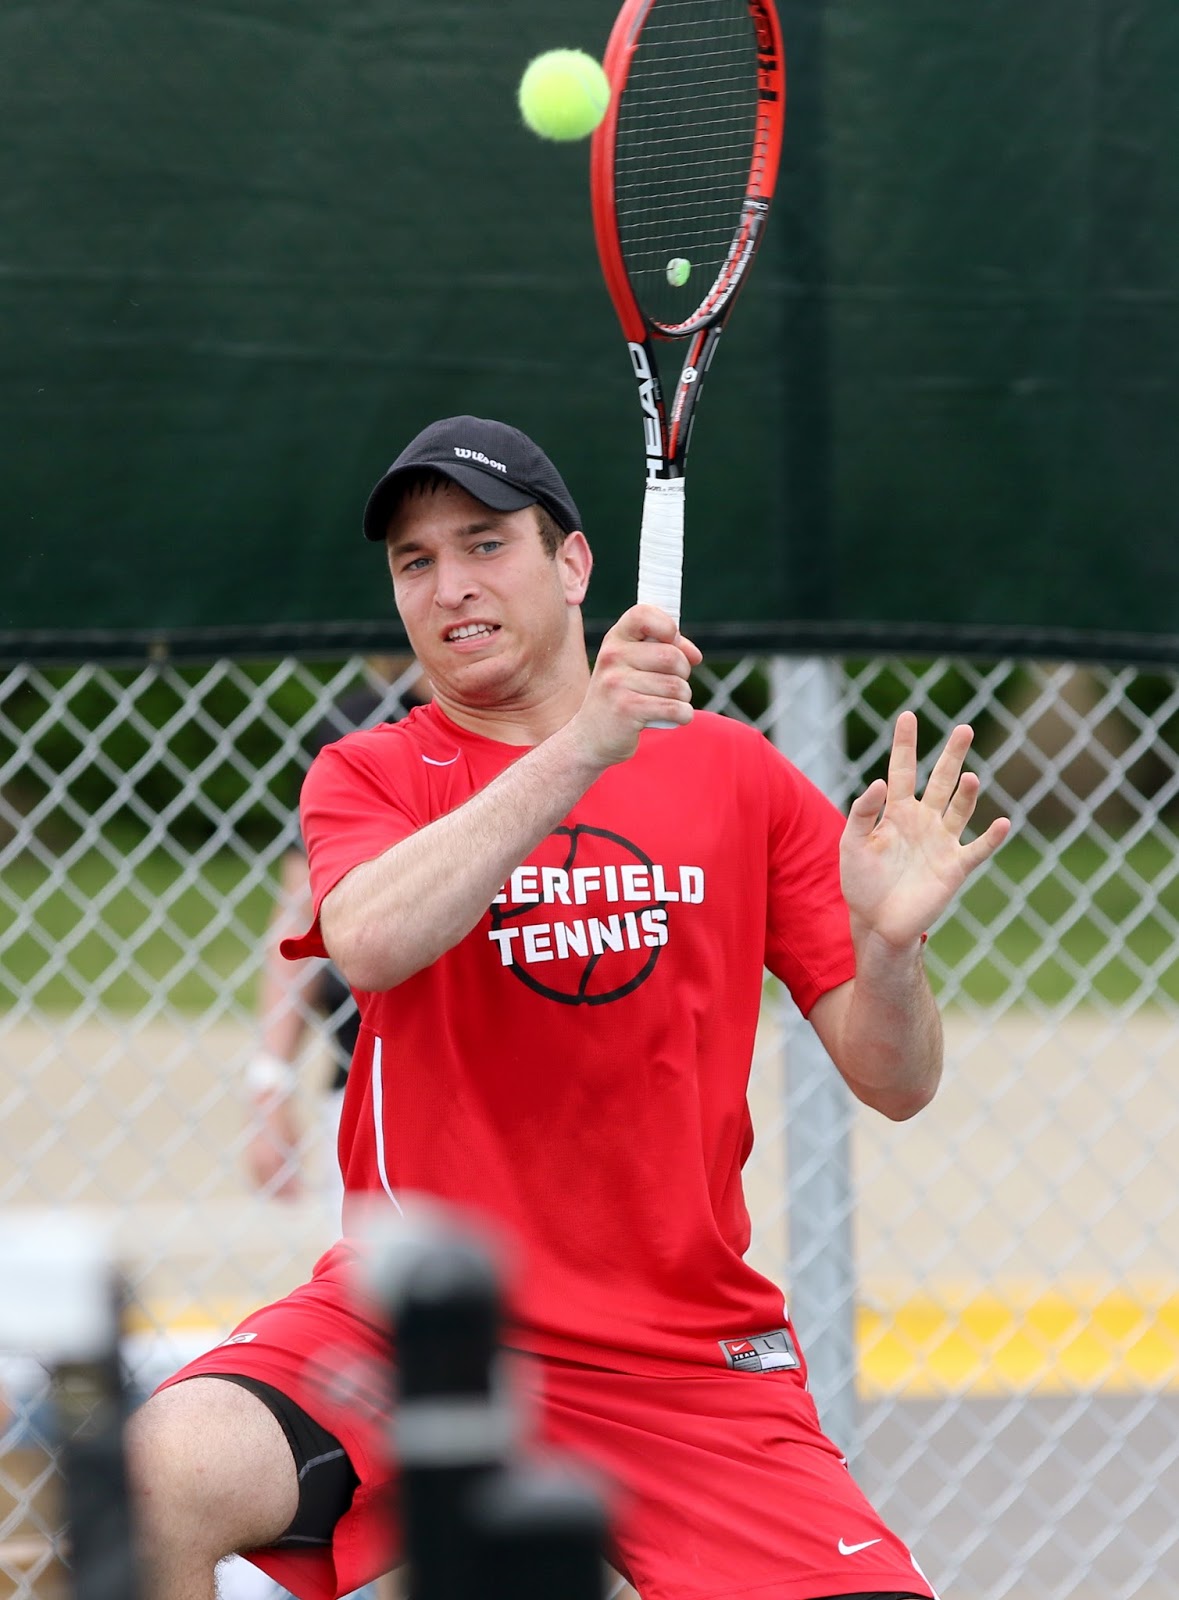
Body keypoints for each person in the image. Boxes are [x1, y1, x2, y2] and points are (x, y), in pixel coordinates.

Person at [128, 415, 1010, 1600]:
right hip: (418, 1332)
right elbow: (375, 941)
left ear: (575, 564)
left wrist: (892, 950)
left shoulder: (735, 775)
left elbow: (897, 1080)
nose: (450, 586)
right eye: (415, 562)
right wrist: (587, 747)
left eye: (484, 544)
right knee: (156, 1478)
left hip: (686, 1360)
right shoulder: (373, 773)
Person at [243, 659, 429, 1206]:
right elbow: (302, 912)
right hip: (369, 1082)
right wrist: (270, 1083)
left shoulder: (556, 724)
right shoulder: (358, 726)